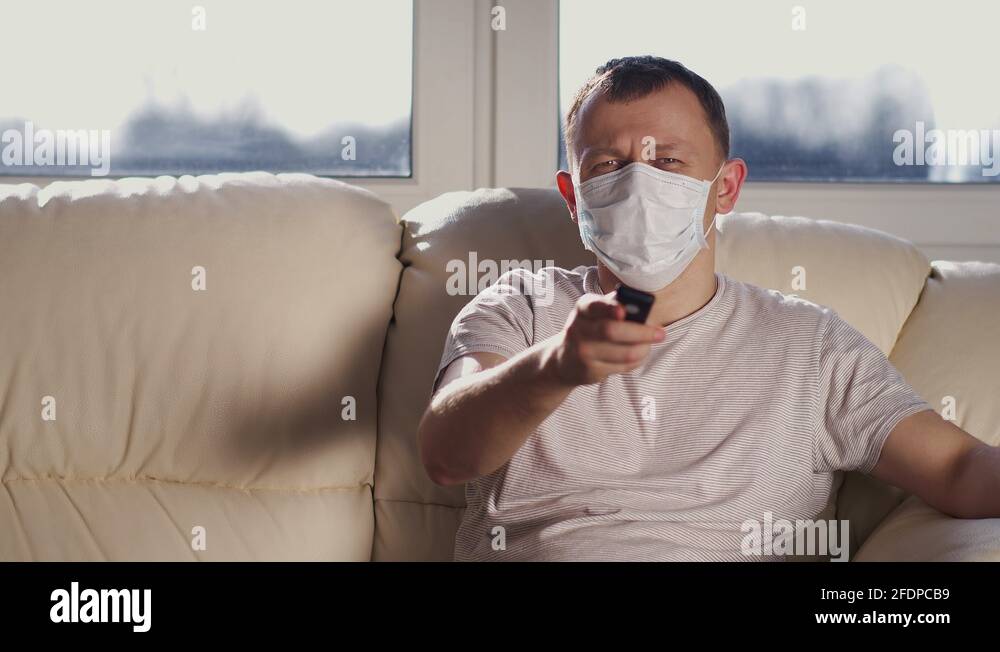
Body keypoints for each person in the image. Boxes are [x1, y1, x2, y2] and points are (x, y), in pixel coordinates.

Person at [416, 55, 1000, 561]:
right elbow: (446, 454)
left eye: (667, 161)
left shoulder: (810, 344)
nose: (638, 185)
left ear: (725, 187)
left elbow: (956, 470)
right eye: (608, 166)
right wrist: (555, 367)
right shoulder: (520, 306)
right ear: (573, 198)